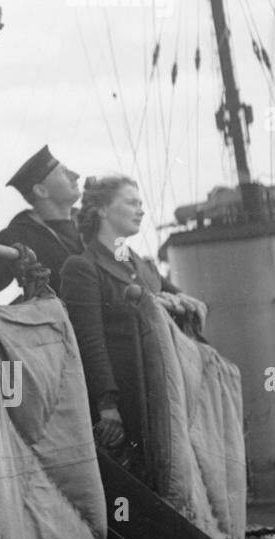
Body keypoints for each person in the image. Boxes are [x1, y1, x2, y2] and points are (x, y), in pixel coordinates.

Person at [59, 174, 207, 465]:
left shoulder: (144, 268)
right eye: (131, 202)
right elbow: (90, 342)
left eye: (141, 203)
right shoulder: (82, 268)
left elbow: (181, 302)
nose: (140, 209)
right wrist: (107, 405)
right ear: (102, 209)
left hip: (164, 398)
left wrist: (184, 302)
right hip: (126, 401)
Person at [0, 146, 82, 300]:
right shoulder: (21, 235)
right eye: (64, 172)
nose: (76, 176)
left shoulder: (89, 221)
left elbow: (123, 260)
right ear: (41, 191)